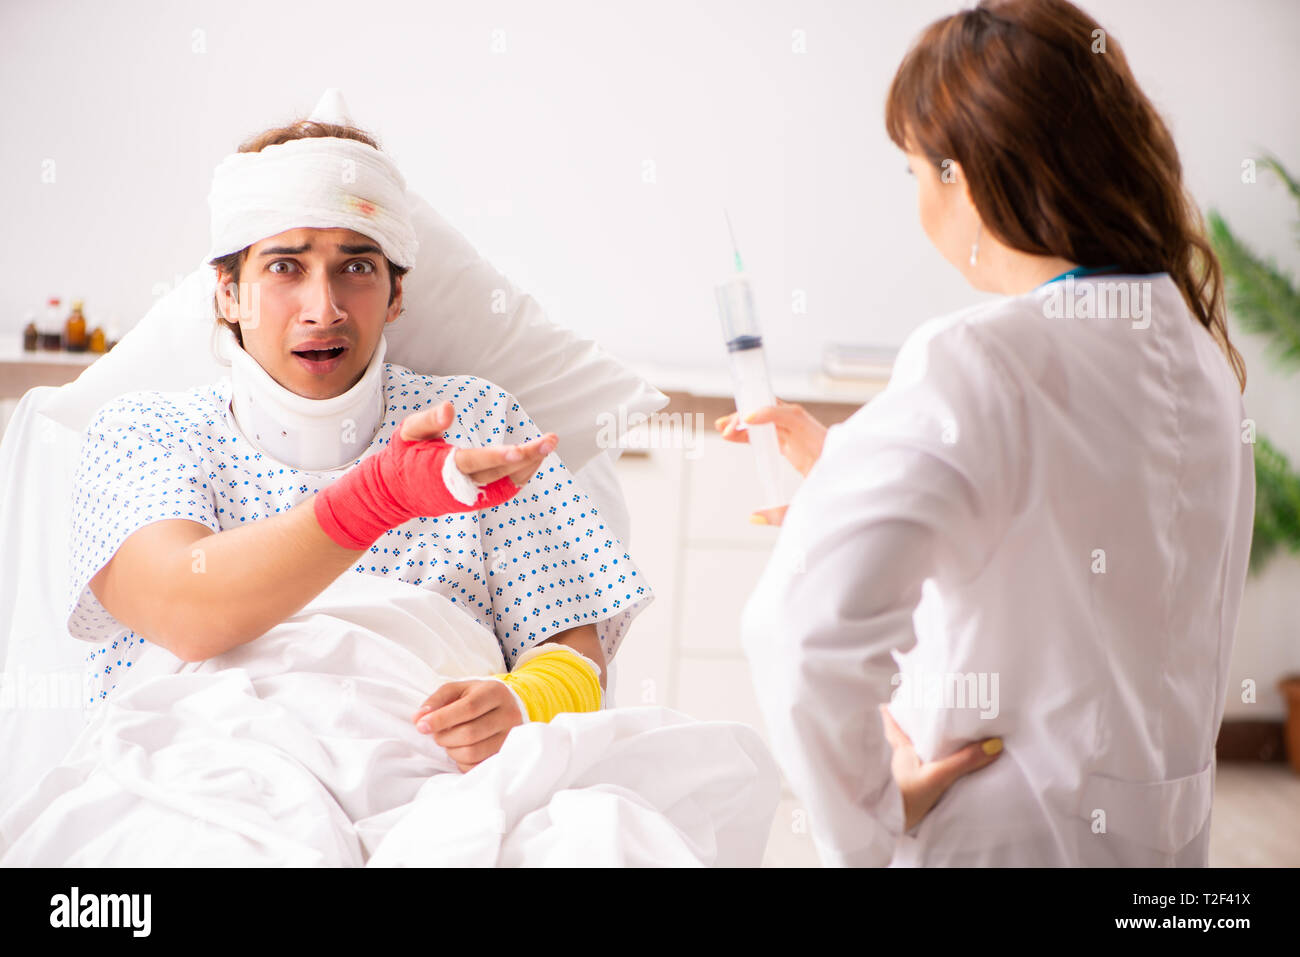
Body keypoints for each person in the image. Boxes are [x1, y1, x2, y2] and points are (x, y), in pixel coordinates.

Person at [721, 0, 1253, 866]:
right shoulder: (1197, 355)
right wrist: (847, 473)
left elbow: (799, 633)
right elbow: (1087, 565)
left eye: (914, 172)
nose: (918, 201)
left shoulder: (981, 359)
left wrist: (867, 819)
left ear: (964, 178)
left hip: (1000, 839)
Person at [69, 118, 653, 773]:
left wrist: (524, 704)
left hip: (441, 781)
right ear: (228, 293)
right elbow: (186, 612)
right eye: (286, 266)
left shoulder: (480, 419)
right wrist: (383, 492)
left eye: (356, 267)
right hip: (211, 773)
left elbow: (572, 645)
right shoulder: (145, 434)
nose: (324, 308)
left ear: (397, 293)